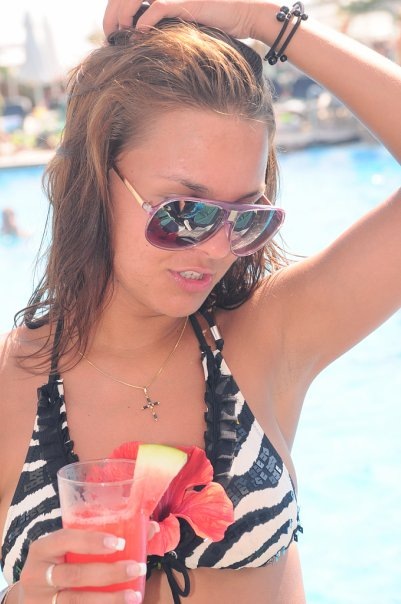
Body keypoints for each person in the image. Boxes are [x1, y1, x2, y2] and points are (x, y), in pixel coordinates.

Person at [0, 1, 400, 602]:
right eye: (185, 211)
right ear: (95, 180)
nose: (216, 249)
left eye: (246, 216)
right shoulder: (9, 387)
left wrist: (263, 19)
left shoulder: (269, 337)